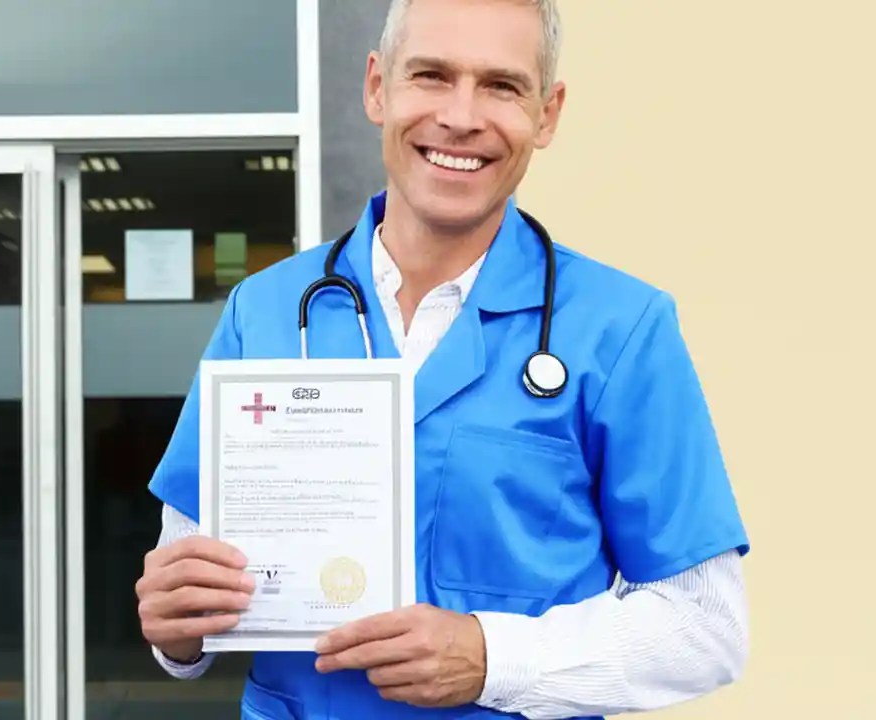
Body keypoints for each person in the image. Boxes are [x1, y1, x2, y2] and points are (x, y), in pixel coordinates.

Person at [133, 0, 750, 717]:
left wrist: (494, 658)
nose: (461, 116)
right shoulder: (263, 311)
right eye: (431, 75)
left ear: (547, 114)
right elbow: (187, 590)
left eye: (501, 85)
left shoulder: (621, 329)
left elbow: (704, 627)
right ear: (377, 88)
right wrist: (177, 633)